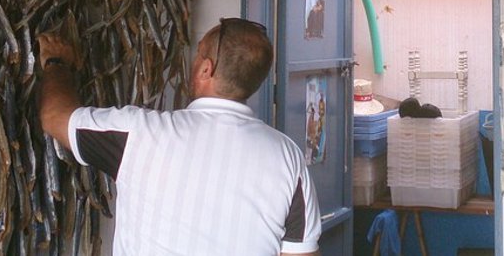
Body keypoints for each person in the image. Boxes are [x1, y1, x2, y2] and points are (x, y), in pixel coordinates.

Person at [38, 18, 321, 256]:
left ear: (206, 68)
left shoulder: (138, 133)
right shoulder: (288, 157)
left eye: (198, 54)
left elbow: (55, 117)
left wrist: (56, 63)